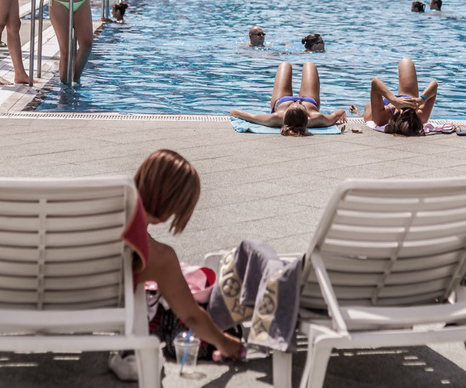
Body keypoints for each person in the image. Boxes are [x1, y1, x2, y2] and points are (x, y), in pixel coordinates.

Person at [126, 151, 245, 362]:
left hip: (51, 294)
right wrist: (226, 343)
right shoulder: (157, 257)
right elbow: (190, 315)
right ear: (175, 206)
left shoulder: (98, 205)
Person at [230, 61, 347, 136]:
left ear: (285, 114)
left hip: (282, 100)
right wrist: (342, 113)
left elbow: (248, 116)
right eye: (300, 104)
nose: (297, 100)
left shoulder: (276, 118)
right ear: (307, 116)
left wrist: (235, 112)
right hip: (310, 100)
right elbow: (338, 113)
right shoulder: (317, 118)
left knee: (285, 64)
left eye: (294, 104)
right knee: (310, 65)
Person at [357, 59, 440, 137]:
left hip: (383, 106)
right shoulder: (421, 116)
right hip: (408, 95)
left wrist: (394, 100)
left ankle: (358, 112)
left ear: (399, 112)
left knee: (368, 109)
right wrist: (421, 100)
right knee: (406, 62)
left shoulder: (381, 118)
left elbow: (375, 82)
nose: (406, 105)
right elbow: (434, 85)